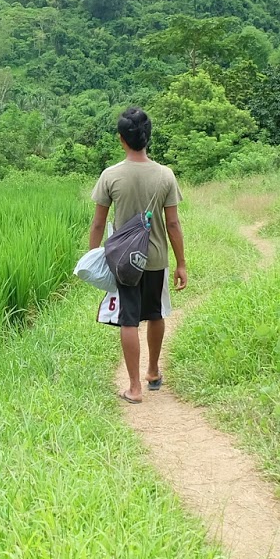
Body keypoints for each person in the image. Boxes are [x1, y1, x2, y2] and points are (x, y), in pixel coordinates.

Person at [88, 107, 187, 404]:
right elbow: (172, 223)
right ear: (148, 137)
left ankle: (134, 387)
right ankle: (153, 371)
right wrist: (181, 263)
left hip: (123, 261)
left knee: (128, 319)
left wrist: (94, 257)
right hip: (155, 258)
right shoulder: (165, 175)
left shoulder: (110, 175)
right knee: (156, 313)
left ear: (122, 139)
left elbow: (97, 223)